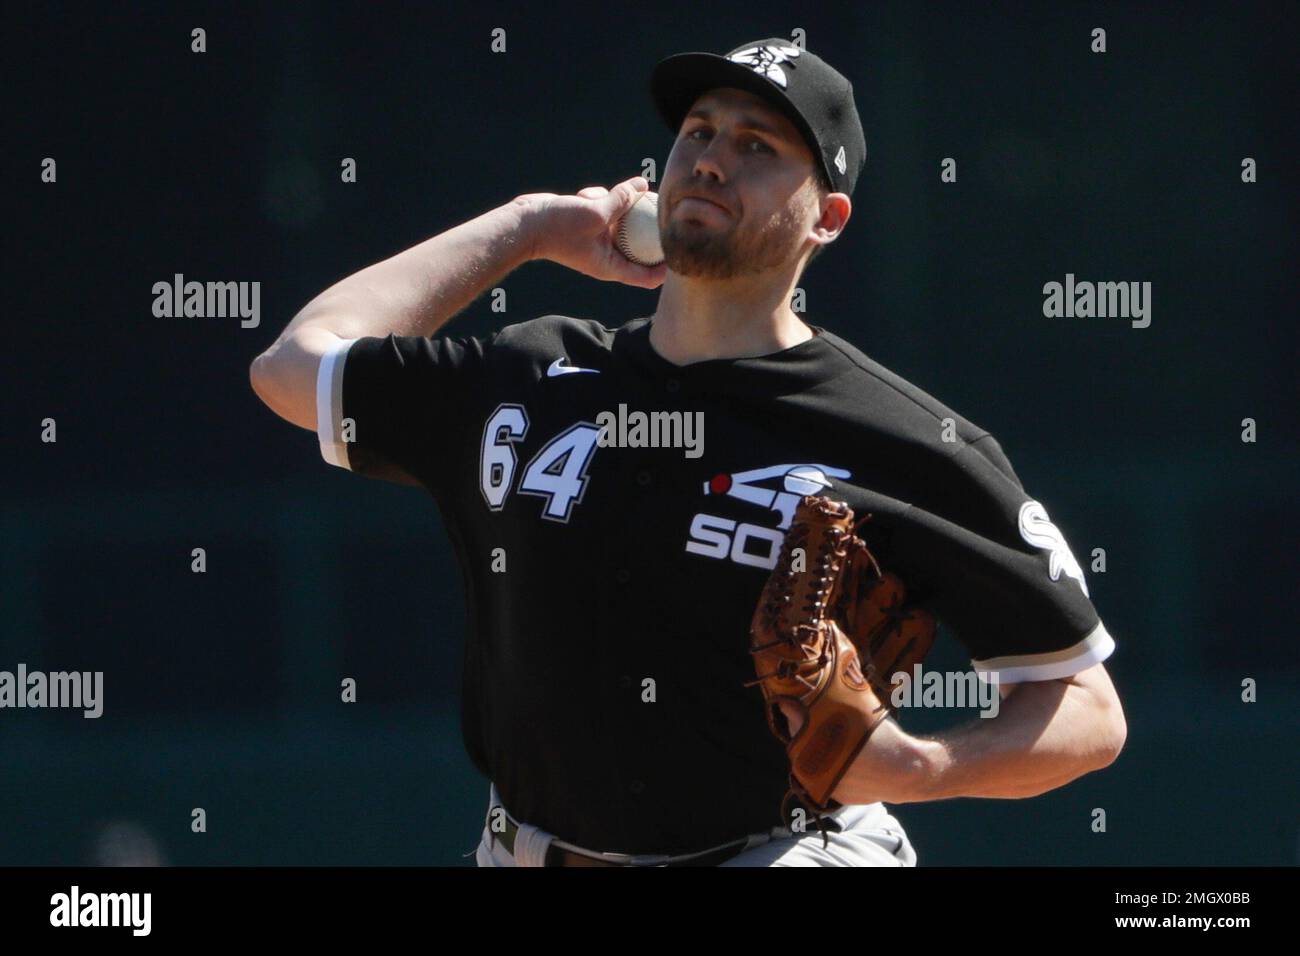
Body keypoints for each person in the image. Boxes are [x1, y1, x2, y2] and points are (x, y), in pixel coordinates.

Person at [249, 38, 1126, 867]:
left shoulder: (904, 439)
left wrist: (917, 768)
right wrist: (525, 228)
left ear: (827, 217)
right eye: (697, 132)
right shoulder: (531, 374)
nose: (710, 159)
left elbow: (1088, 711)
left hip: (784, 847)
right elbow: (291, 366)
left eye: (757, 146)